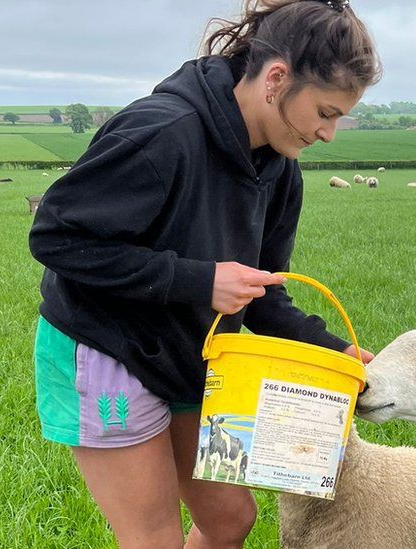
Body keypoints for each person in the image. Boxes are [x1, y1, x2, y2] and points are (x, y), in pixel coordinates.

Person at [29, 1, 381, 546]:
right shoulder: (162, 132)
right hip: (103, 346)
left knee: (229, 519)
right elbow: (55, 236)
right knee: (154, 538)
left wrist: (333, 353)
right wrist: (199, 281)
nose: (330, 133)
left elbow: (262, 295)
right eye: (326, 112)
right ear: (276, 79)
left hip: (187, 350)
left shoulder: (280, 171)